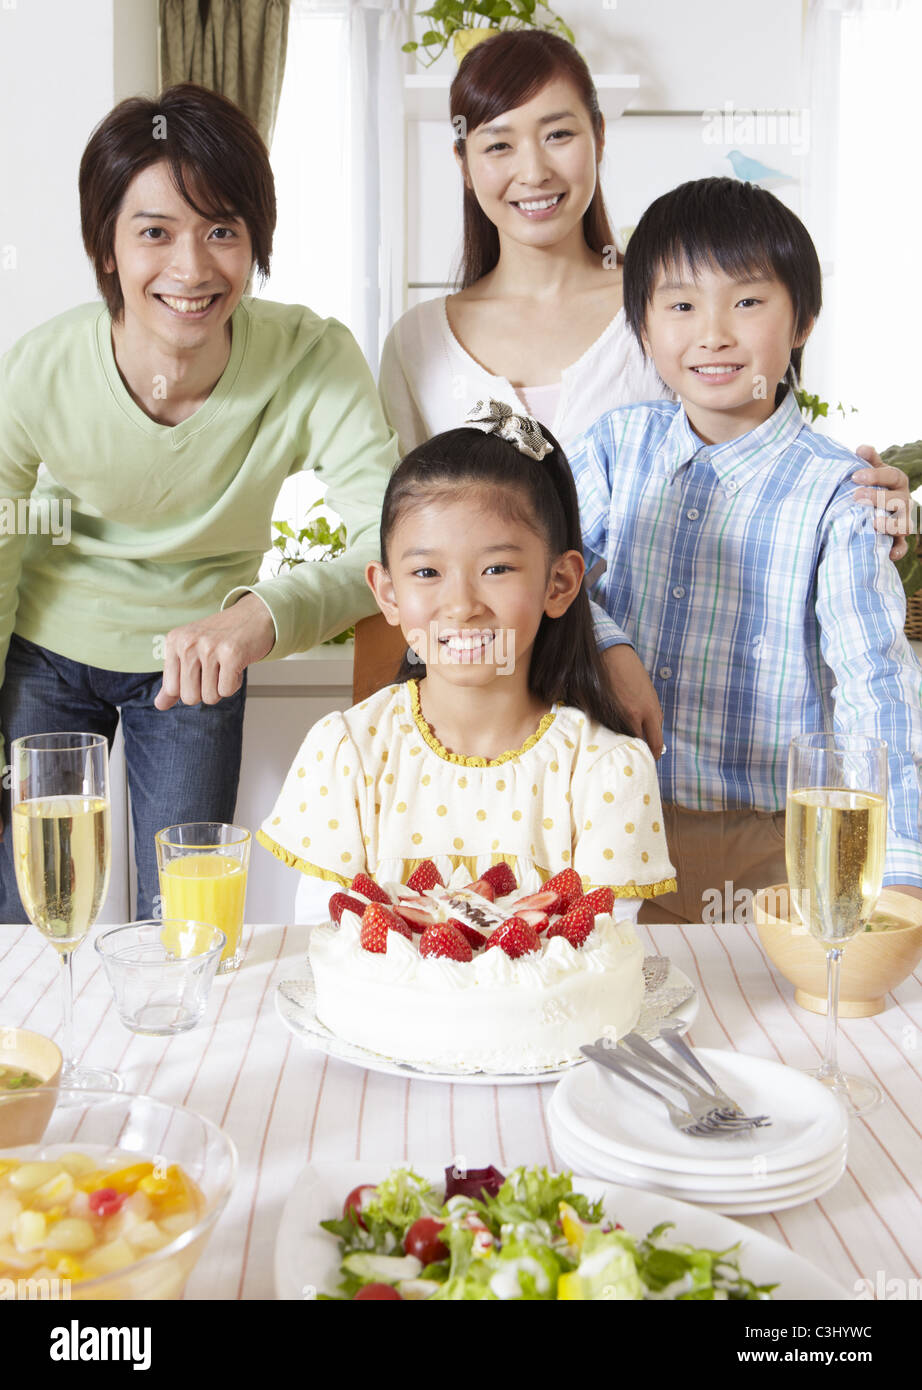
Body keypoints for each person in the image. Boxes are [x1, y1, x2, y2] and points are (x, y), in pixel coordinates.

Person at [378, 29, 910, 759]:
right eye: (498, 142)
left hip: (645, 748)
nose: (533, 169)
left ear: (598, 136)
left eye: (559, 133)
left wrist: (865, 499)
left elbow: (763, 445)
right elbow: (402, 538)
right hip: (472, 720)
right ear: (464, 162)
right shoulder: (419, 342)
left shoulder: (672, 311)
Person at [0, 84, 399, 921]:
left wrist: (262, 613)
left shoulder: (312, 358)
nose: (191, 268)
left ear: (254, 243)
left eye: (222, 230)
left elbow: (387, 535)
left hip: (196, 665)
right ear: (106, 248)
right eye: (155, 233)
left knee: (187, 924)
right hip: (44, 652)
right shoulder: (39, 369)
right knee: (22, 921)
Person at [567, 177, 922, 924]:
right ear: (642, 326)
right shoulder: (611, 450)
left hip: (770, 839)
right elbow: (549, 579)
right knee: (618, 1014)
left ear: (803, 322)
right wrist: (611, 643)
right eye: (682, 304)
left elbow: (874, 682)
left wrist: (900, 867)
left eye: (749, 301)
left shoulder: (843, 495)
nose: (714, 333)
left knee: (769, 1027)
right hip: (610, 823)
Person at [258, 402, 676, 920]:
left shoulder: (604, 774)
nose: (461, 605)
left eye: (497, 568)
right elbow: (324, 944)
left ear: (560, 583)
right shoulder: (346, 756)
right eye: (427, 572)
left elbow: (600, 960)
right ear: (386, 593)